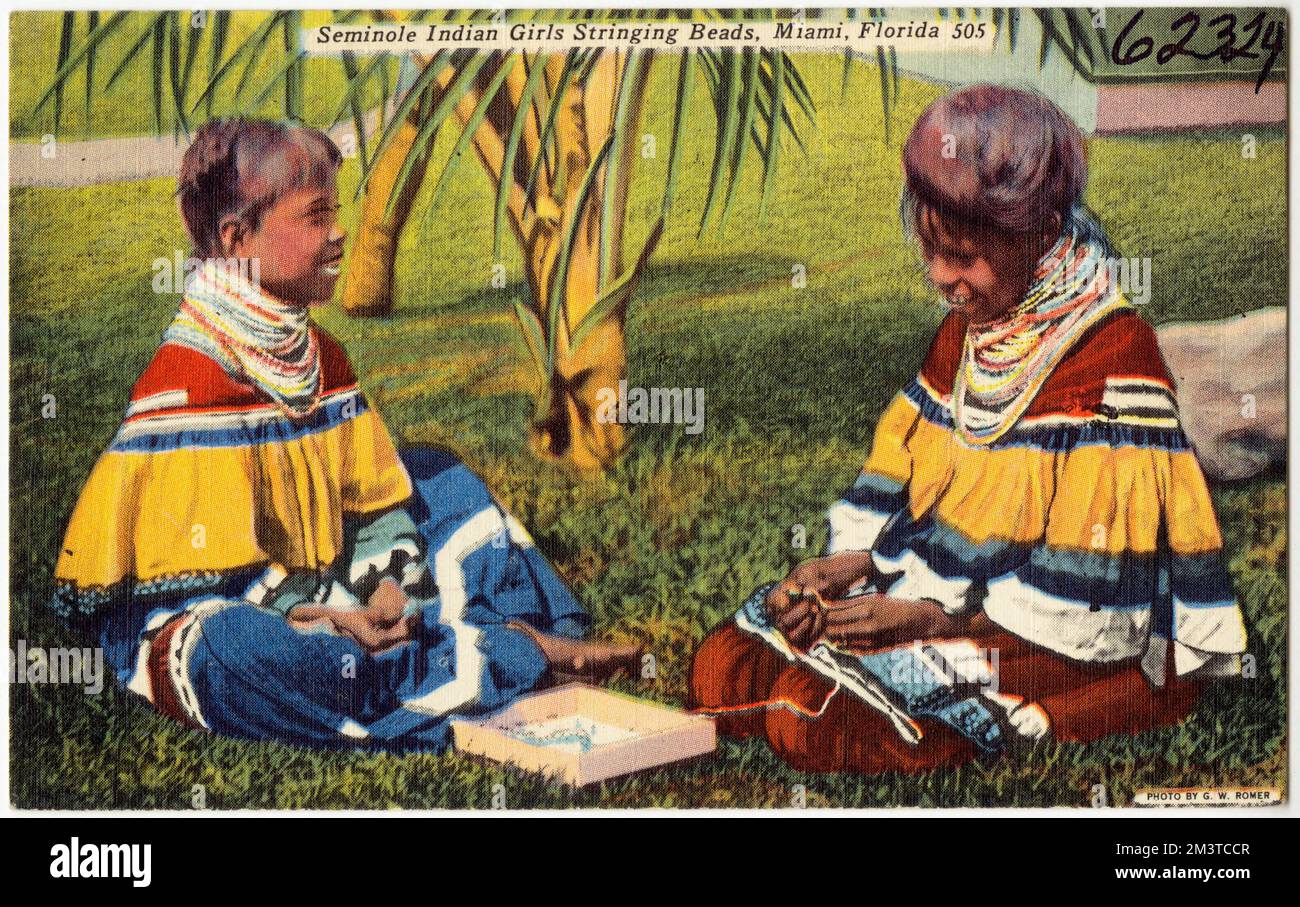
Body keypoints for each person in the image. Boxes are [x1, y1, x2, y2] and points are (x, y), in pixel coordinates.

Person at [690, 85, 1249, 774]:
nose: (941, 279)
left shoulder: (1108, 358)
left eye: (962, 257)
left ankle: (1040, 710)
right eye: (931, 252)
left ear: (1041, 235)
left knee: (813, 718)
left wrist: (933, 621)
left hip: (1058, 631)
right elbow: (910, 492)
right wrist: (842, 569)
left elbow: (1092, 596)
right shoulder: (971, 334)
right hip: (946, 596)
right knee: (725, 667)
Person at [52, 117, 638, 751]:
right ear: (238, 237)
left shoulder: (318, 355)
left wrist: (389, 587)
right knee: (232, 653)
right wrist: (327, 614)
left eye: (336, 213)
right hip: (229, 609)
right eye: (314, 217)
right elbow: (211, 577)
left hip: (328, 577)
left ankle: (459, 647)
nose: (337, 236)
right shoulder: (191, 383)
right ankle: (505, 655)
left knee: (438, 477)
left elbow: (372, 500)